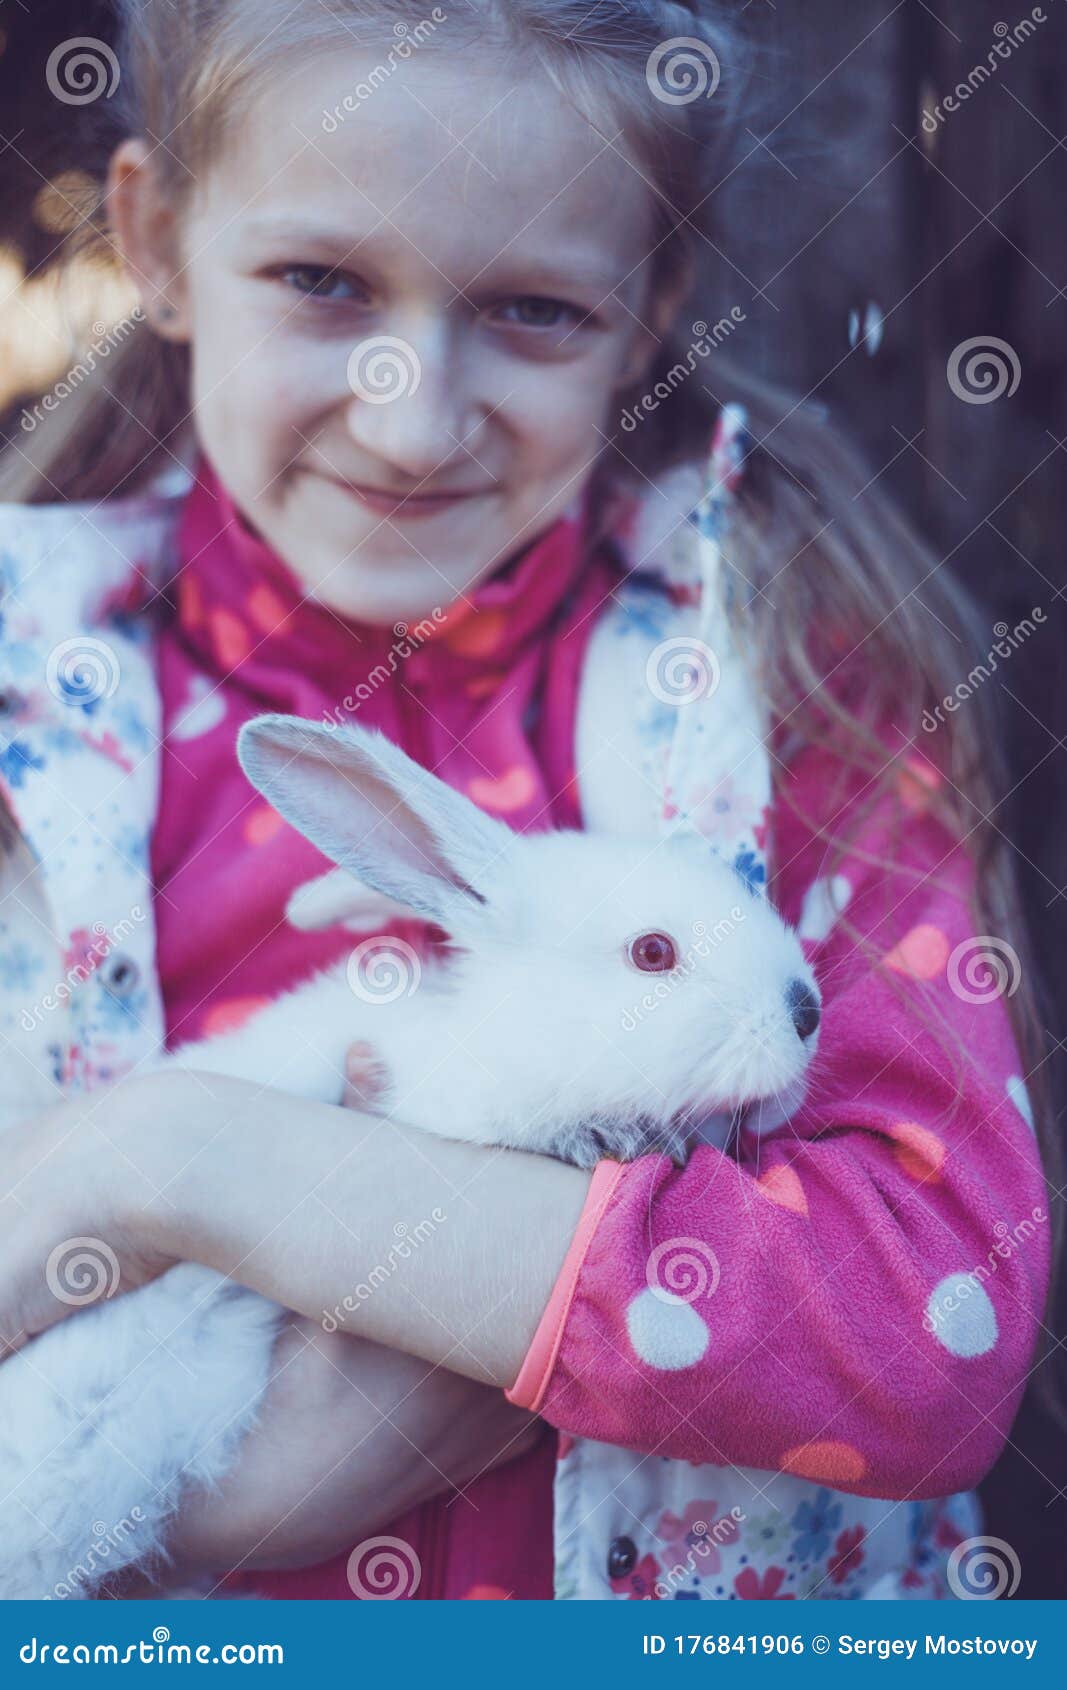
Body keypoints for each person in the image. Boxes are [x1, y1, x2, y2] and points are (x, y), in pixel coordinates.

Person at [0, 0, 1053, 1602]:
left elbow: (923, 1332)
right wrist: (172, 1515)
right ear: (153, 241)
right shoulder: (30, 712)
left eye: (536, 310)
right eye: (322, 280)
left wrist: (175, 1159)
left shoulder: (796, 670)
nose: (412, 416)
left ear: (654, 308)